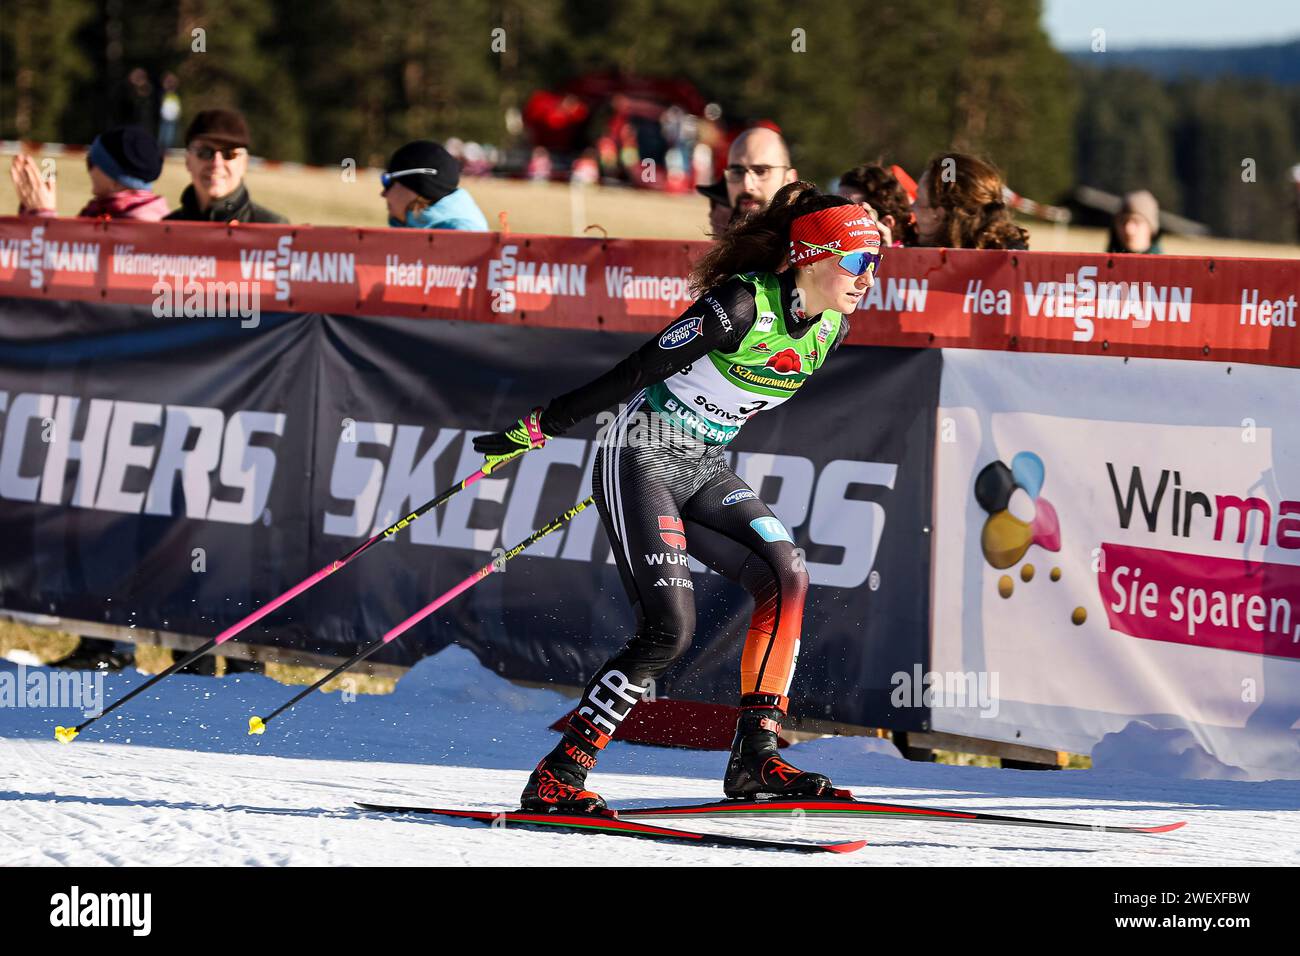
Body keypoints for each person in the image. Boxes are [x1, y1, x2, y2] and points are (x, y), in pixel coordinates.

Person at [473, 181, 883, 813]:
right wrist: (541, 426)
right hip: (640, 452)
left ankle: (756, 760)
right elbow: (636, 370)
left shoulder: (831, 327)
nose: (865, 277)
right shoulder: (740, 305)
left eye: (874, 265)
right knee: (670, 630)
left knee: (788, 574)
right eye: (855, 262)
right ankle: (559, 776)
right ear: (810, 256)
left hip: (702, 464)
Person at [10, 126, 168, 221]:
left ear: (115, 181)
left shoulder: (142, 227)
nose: (89, 171)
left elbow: (69, 268)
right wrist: (33, 209)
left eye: (91, 163)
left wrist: (43, 216)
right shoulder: (103, 214)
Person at [165, 109, 287, 224]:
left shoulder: (273, 233)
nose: (216, 163)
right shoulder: (166, 231)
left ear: (244, 163)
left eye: (229, 154)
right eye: (205, 152)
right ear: (188, 160)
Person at [912, 152, 1028, 250]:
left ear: (939, 214)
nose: (911, 207)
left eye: (918, 200)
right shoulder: (1010, 258)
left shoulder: (1004, 263)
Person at [380, 140, 489, 231]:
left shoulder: (463, 237)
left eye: (387, 182)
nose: (383, 194)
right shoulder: (417, 228)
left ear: (416, 186)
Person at [721, 125, 798, 221]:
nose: (747, 186)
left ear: (790, 180)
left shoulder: (809, 233)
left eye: (760, 171)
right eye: (737, 172)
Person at [836, 163, 917, 247]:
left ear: (886, 224)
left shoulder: (915, 257)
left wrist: (886, 255)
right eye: (832, 204)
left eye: (848, 212)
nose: (834, 216)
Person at [1107, 190, 1163, 254]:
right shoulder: (1101, 263)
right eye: (1123, 222)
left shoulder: (1165, 264)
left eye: (1137, 222)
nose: (1129, 230)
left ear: (1151, 228)